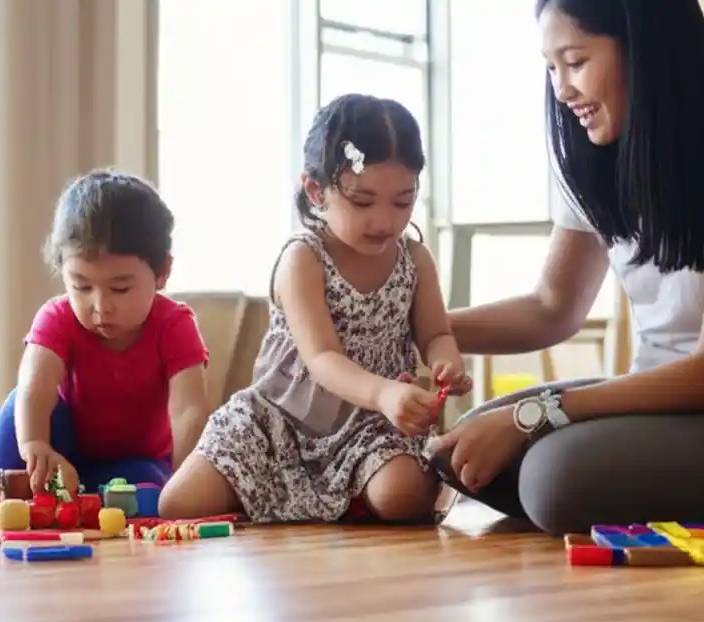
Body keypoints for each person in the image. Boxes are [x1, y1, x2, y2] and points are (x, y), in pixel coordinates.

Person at [429, 0, 704, 534]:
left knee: (550, 477)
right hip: (666, 406)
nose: (562, 90)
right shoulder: (597, 154)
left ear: (645, 48)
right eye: (551, 66)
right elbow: (552, 308)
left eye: (576, 61)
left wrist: (535, 415)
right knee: (462, 449)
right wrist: (421, 329)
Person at [158, 93, 471, 523]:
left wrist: (445, 361)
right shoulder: (303, 258)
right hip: (278, 421)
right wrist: (383, 390)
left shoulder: (415, 259)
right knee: (178, 504)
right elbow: (321, 357)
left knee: (404, 498)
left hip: (371, 424)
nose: (384, 220)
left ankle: (345, 493)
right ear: (315, 190)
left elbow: (435, 333)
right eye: (363, 201)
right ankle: (296, 497)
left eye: (402, 201)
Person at [0, 169, 211, 497]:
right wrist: (34, 443)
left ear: (162, 273)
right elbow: (37, 382)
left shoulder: (175, 325)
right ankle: (9, 489)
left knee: (150, 482)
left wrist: (185, 483)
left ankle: (90, 494)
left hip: (134, 459)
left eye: (120, 289)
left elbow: (188, 412)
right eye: (81, 286)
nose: (101, 306)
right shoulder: (57, 317)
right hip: (60, 450)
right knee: (16, 405)